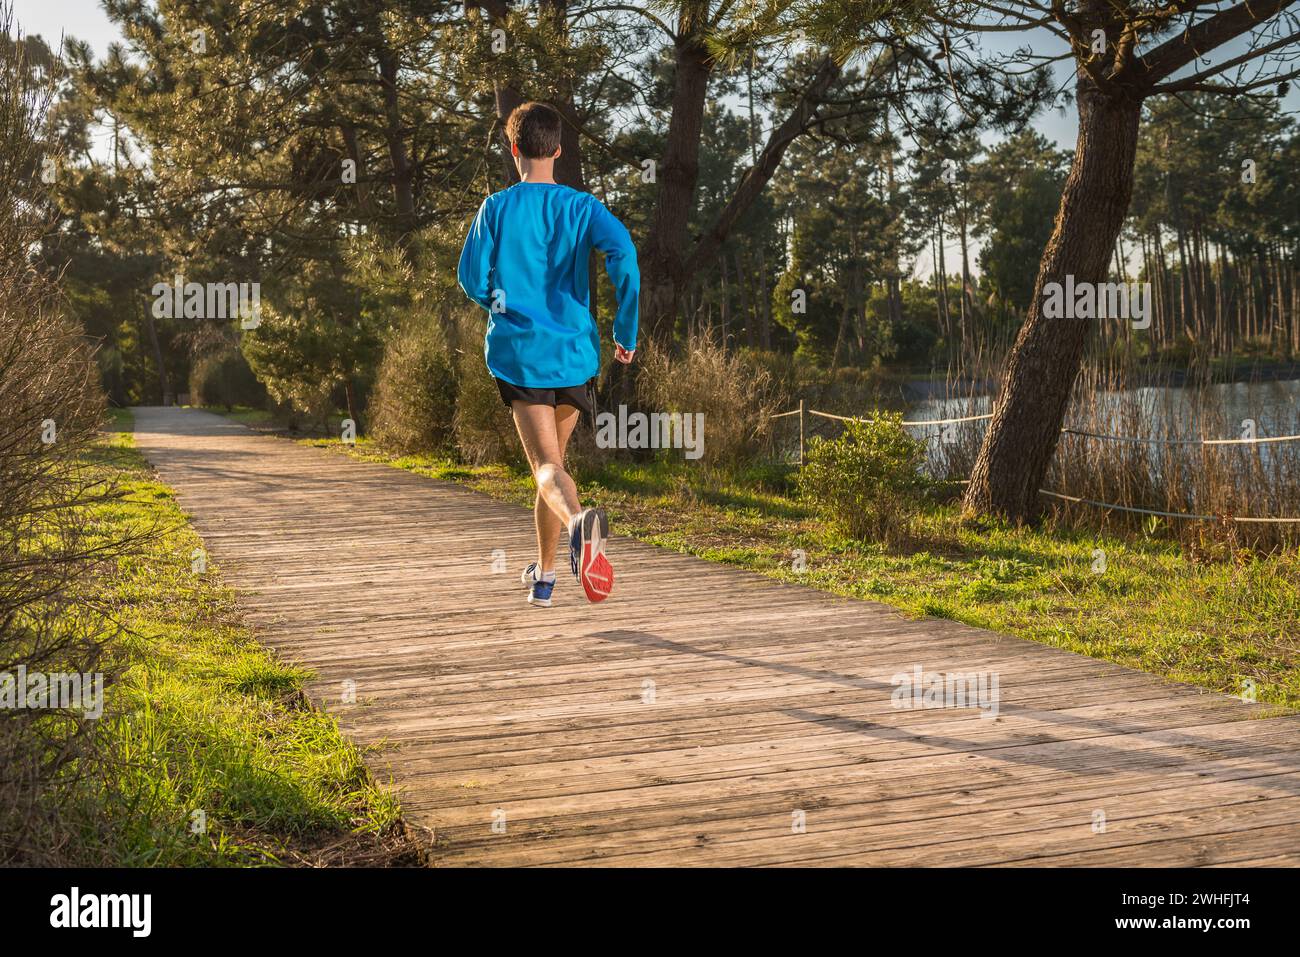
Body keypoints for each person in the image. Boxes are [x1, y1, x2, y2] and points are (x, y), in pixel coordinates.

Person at [457, 101, 639, 608]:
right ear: (557, 150)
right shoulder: (584, 207)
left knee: (544, 469)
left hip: (524, 355)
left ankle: (581, 523)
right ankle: (545, 577)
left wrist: (503, 301)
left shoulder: (496, 207)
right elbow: (624, 254)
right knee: (553, 466)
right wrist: (626, 329)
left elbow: (472, 279)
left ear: (514, 149)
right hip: (575, 355)